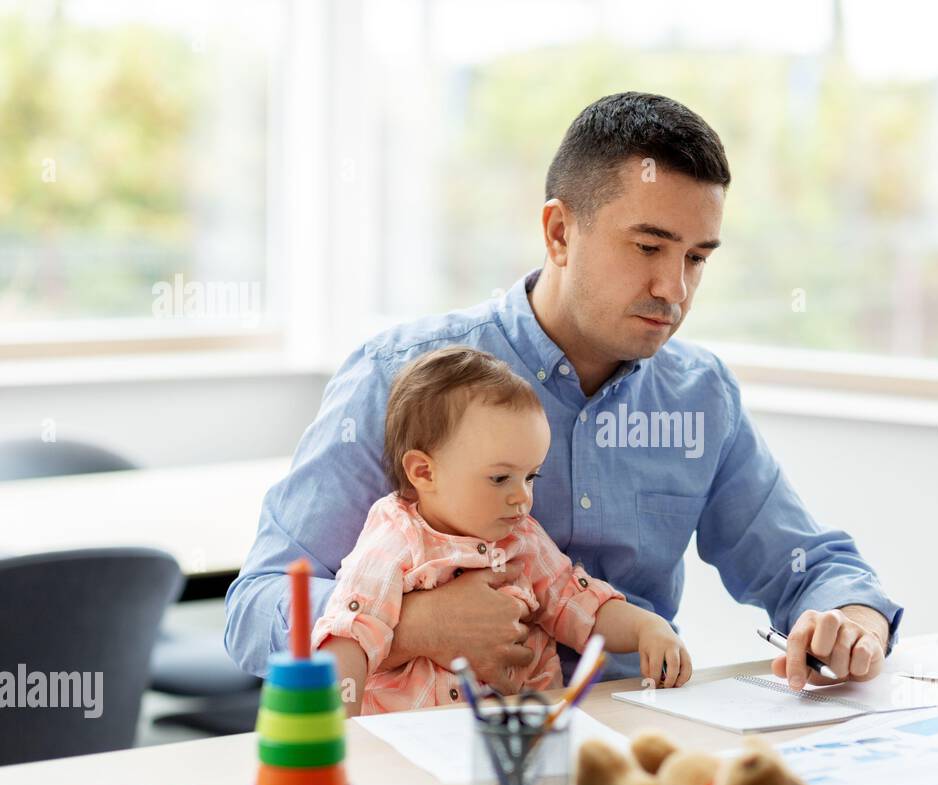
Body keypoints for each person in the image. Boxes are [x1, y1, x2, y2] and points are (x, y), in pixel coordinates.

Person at [226, 90, 903, 695]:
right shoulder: (401, 377)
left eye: (696, 258)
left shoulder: (699, 398)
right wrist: (415, 626)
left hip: (626, 754)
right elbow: (255, 608)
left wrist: (851, 625)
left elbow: (809, 566)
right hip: (427, 749)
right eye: (648, 248)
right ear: (558, 232)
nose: (675, 288)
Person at [312, 346, 691, 715]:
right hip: (415, 739)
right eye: (499, 478)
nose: (521, 498)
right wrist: (338, 738)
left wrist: (647, 627)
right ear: (424, 472)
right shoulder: (395, 538)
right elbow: (349, 638)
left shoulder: (522, 537)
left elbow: (577, 604)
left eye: (530, 477)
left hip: (526, 729)